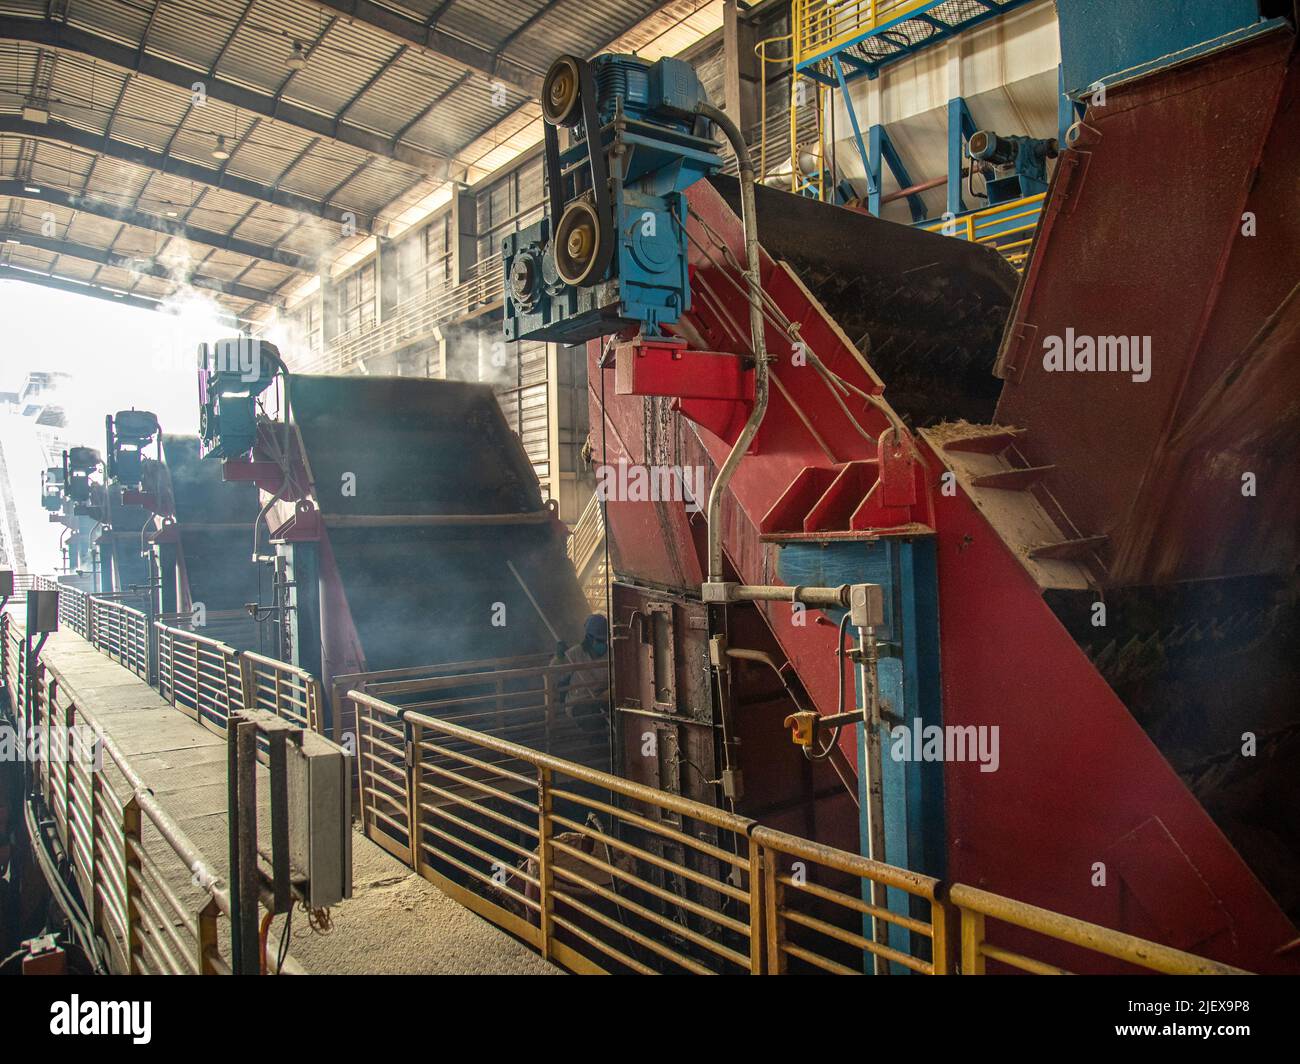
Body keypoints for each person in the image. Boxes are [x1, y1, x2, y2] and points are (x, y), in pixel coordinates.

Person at [555, 613, 610, 733]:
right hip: (577, 702)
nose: (602, 643)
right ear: (589, 639)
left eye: (604, 640)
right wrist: (559, 657)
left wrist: (604, 697)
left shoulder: (611, 655)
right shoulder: (575, 653)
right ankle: (598, 741)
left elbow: (617, 683)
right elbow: (555, 671)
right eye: (599, 640)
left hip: (601, 699)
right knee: (591, 718)